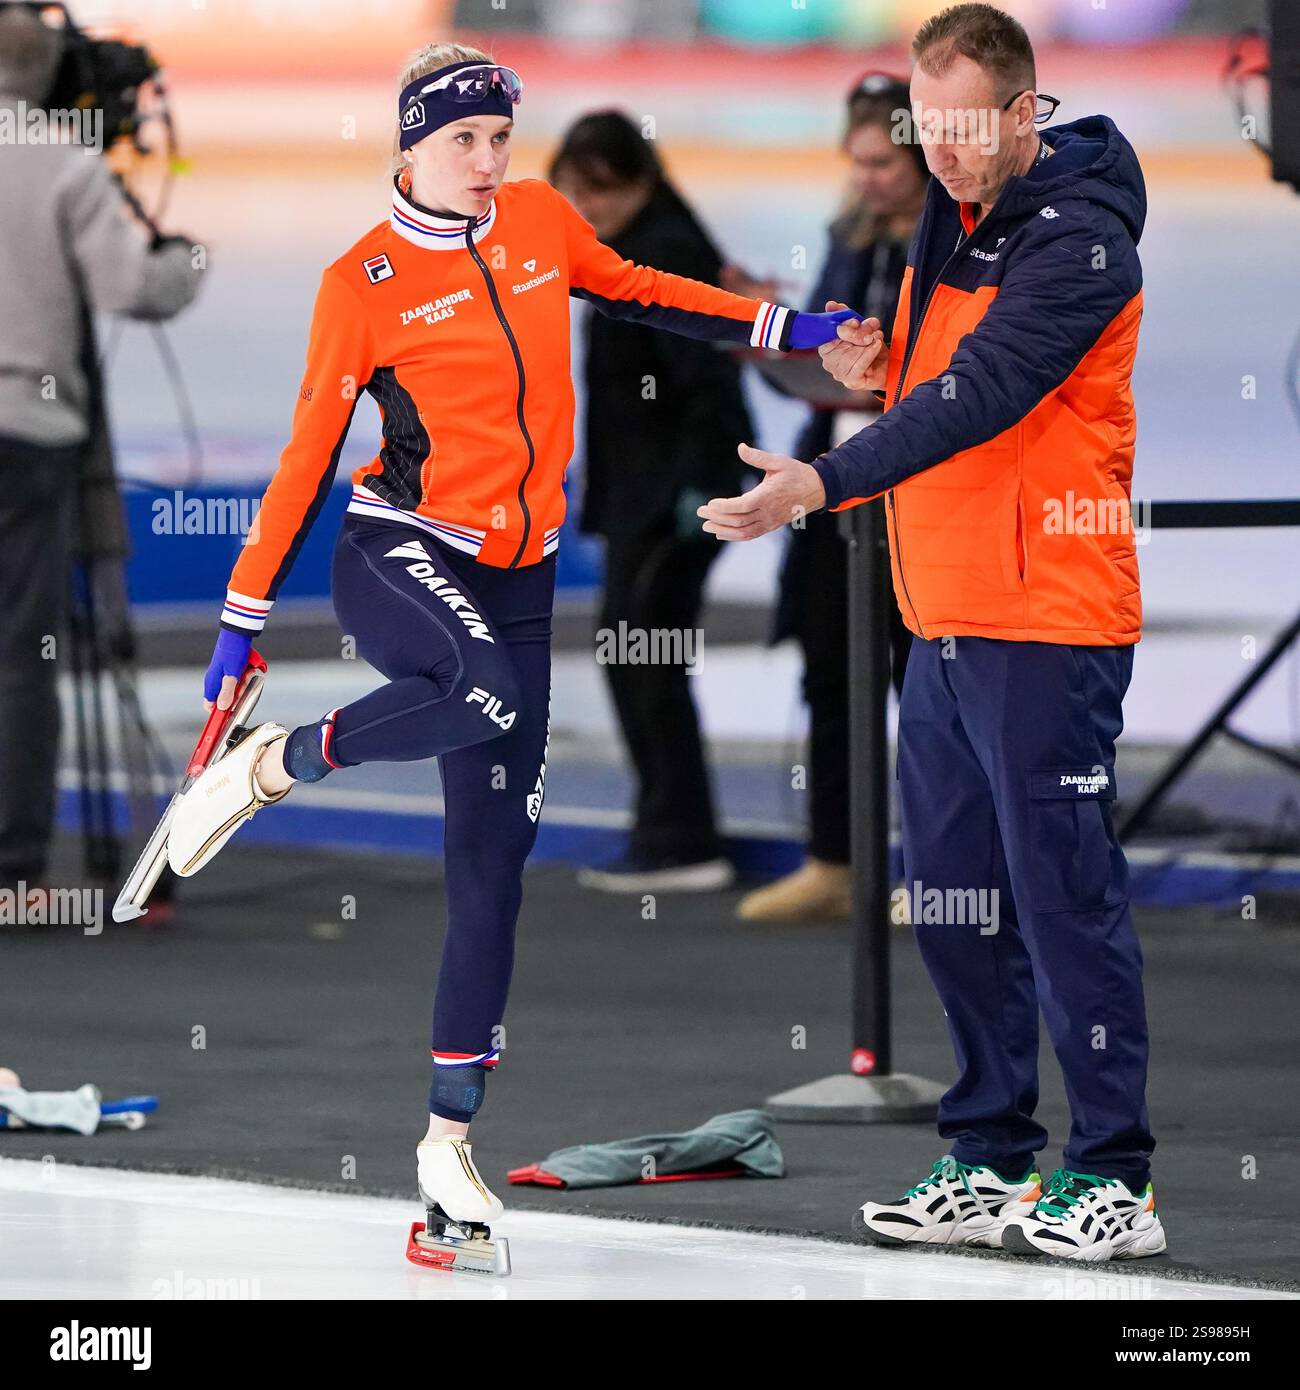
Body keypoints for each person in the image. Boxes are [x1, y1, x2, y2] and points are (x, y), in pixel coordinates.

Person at [162, 42, 856, 1254]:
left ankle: (445, 1149)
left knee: (494, 865)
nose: (487, 161)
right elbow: (306, 458)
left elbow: (647, 287)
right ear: (409, 149)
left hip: (520, 575)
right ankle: (284, 757)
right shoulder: (361, 282)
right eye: (461, 142)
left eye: (498, 137)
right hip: (401, 550)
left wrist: (786, 322)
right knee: (477, 696)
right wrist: (239, 619)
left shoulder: (537, 219)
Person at [699, 2, 1163, 1262]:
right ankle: (989, 1153)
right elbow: (927, 374)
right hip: (944, 611)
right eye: (928, 129)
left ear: (1023, 113)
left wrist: (822, 478)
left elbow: (982, 393)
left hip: (1046, 617)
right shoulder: (951, 216)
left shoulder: (1080, 240)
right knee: (952, 894)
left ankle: (1113, 1174)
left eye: (966, 131)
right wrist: (867, 358)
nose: (941, 155)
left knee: (1062, 899)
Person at [0, 4, 202, 904]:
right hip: (28, 438)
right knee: (19, 655)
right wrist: (184, 261)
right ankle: (13, 870)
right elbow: (130, 286)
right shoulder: (63, 159)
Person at [729, 73, 926, 923]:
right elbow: (820, 360)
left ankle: (941, 872)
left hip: (917, 489)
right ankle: (835, 860)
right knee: (831, 674)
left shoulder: (958, 243)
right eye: (857, 162)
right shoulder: (849, 235)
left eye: (882, 162)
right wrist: (769, 324)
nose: (868, 178)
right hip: (833, 493)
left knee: (927, 692)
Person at [549, 111, 751, 894]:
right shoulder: (628, 247)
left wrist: (698, 493)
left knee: (646, 657)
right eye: (574, 190)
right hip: (643, 492)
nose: (586, 206)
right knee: (633, 654)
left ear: (639, 179)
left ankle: (681, 835)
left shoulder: (665, 248)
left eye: (598, 190)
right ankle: (668, 824)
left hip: (674, 499)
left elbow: (704, 379)